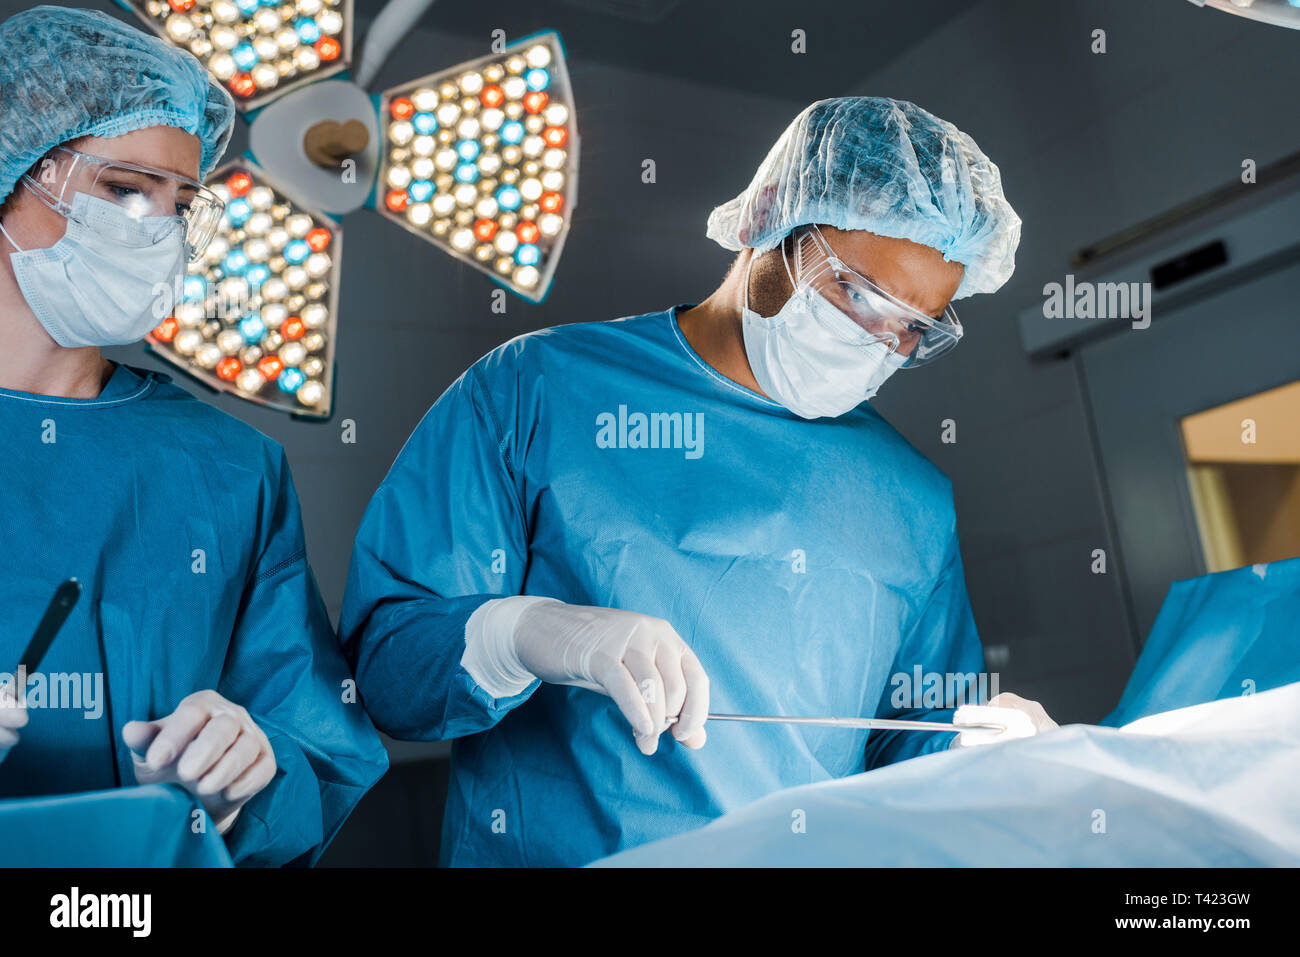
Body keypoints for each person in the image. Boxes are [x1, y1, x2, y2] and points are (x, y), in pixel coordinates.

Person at [341, 96, 1056, 867]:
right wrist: (523, 633)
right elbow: (386, 669)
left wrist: (980, 758)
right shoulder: (538, 389)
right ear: (774, 221)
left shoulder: (911, 499)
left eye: (913, 328)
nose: (878, 343)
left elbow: (909, 744)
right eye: (857, 295)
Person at [0, 7, 387, 866]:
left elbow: (317, 742)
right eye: (124, 188)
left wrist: (247, 781)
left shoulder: (228, 469)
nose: (157, 231)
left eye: (180, 202)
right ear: (10, 176)